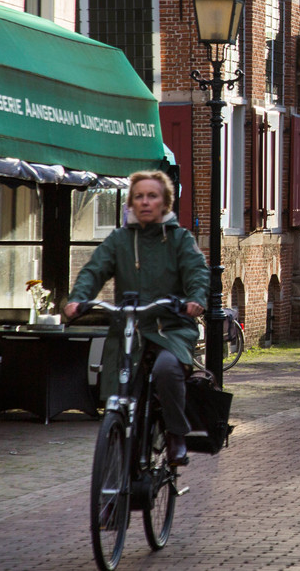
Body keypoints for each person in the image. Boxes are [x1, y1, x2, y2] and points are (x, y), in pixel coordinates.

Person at [64, 170, 207, 466]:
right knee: (119, 382)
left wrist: (195, 299)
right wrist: (79, 298)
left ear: (165, 202)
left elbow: (197, 272)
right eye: (139, 196)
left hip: (170, 329)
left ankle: (176, 434)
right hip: (130, 329)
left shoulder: (180, 239)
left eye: (152, 196)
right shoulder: (119, 239)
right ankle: (118, 441)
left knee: (168, 371)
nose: (145, 202)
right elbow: (95, 269)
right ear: (131, 202)